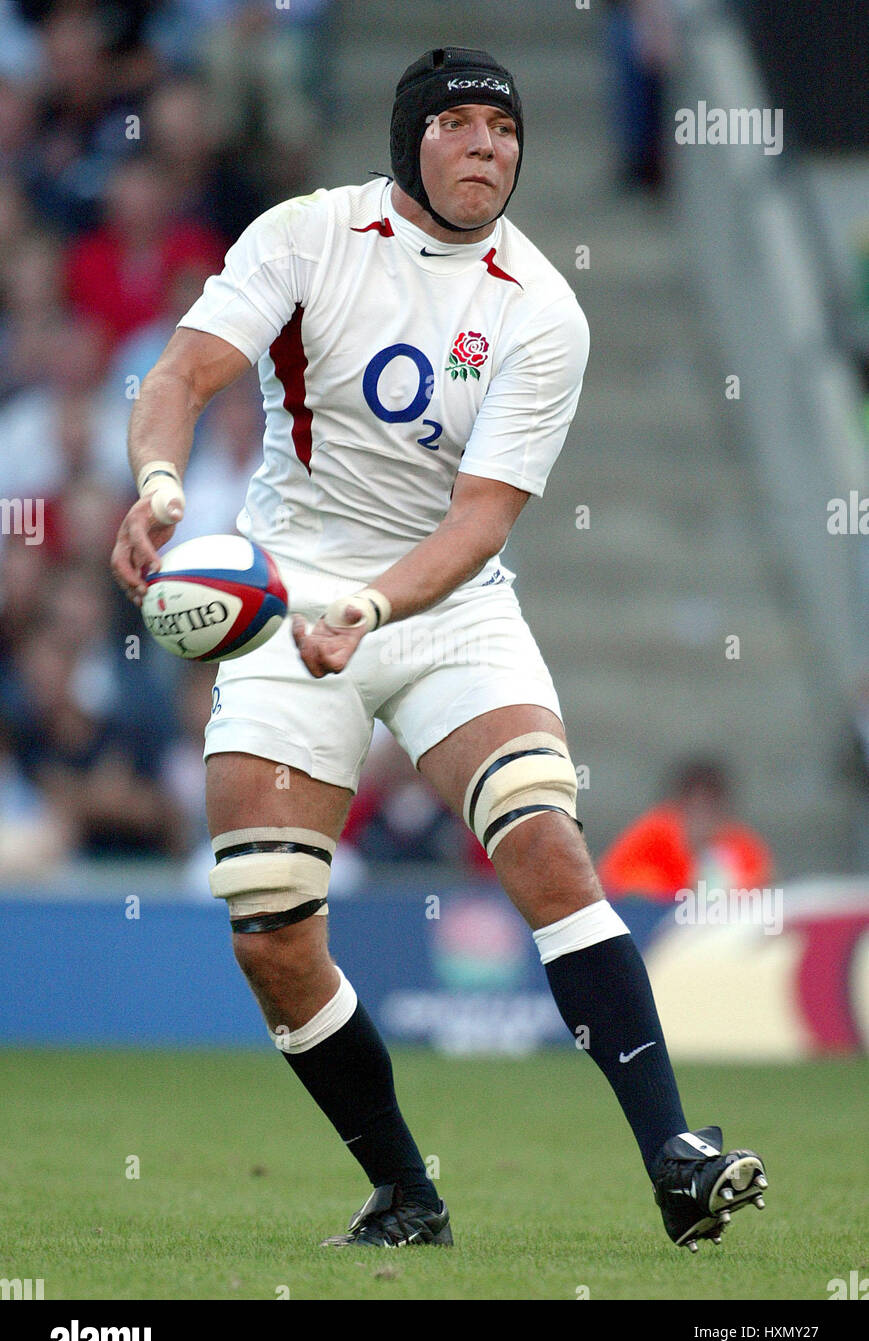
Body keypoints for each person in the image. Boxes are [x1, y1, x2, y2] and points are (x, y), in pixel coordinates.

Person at [111, 47, 767, 1251]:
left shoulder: (541, 307)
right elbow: (184, 372)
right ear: (408, 140)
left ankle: (673, 1153)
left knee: (544, 839)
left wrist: (372, 609)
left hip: (445, 601)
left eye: (502, 130)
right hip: (282, 587)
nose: (486, 147)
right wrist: (157, 484)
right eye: (458, 124)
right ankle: (405, 1192)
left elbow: (478, 522)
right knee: (270, 928)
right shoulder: (307, 235)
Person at [599, 758, 774, 900]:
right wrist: (678, 887)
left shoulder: (739, 842)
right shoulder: (655, 832)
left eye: (710, 807)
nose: (701, 817)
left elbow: (763, 888)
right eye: (694, 807)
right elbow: (613, 879)